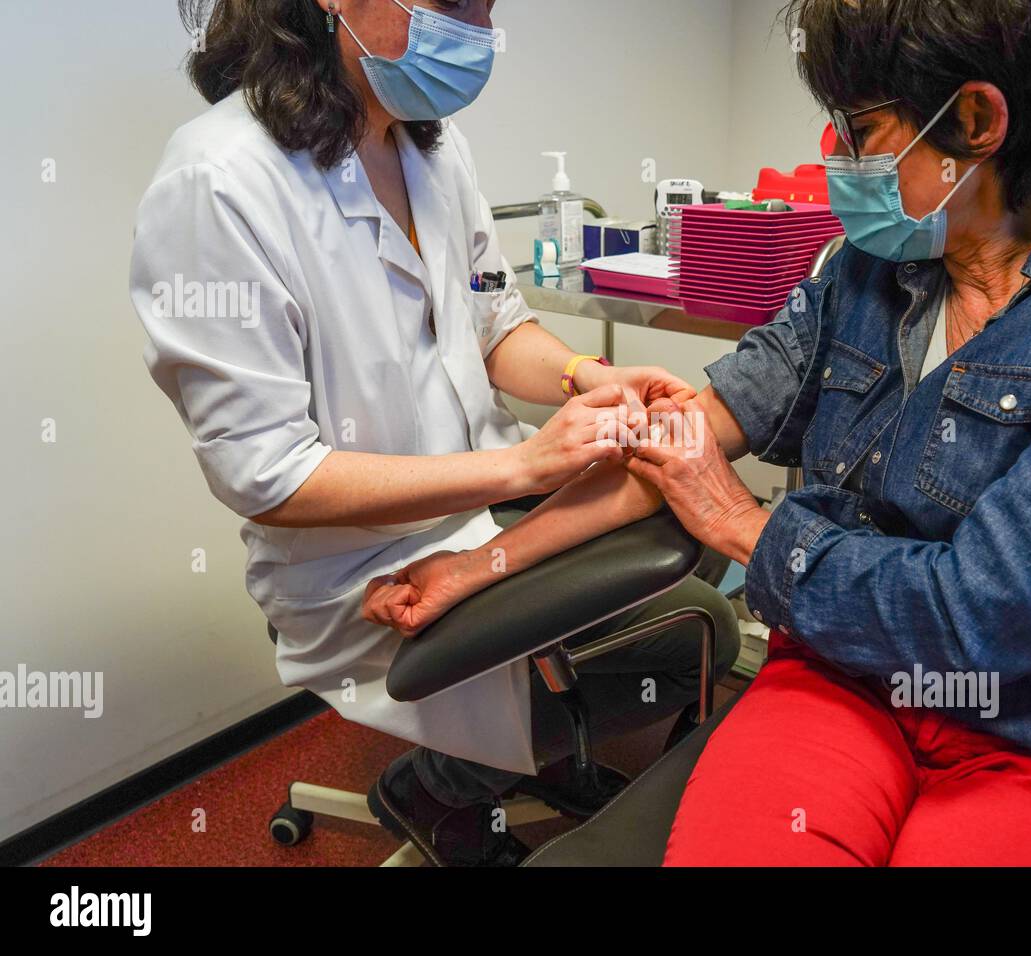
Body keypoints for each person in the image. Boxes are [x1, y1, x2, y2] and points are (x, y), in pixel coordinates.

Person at [389, 0, 1031, 866]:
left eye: (860, 131)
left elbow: (992, 613)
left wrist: (745, 525)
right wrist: (478, 567)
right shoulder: (866, 271)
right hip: (844, 680)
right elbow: (679, 444)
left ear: (976, 119)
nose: (838, 161)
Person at [130, 0, 738, 867]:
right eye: (452, 4)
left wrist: (583, 377)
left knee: (684, 527)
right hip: (361, 570)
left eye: (487, 6)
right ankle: (442, 786)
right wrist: (522, 463)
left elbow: (495, 324)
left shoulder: (430, 148)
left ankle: (487, 756)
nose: (479, 30)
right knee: (696, 636)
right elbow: (266, 473)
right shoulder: (218, 183)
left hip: (486, 502)